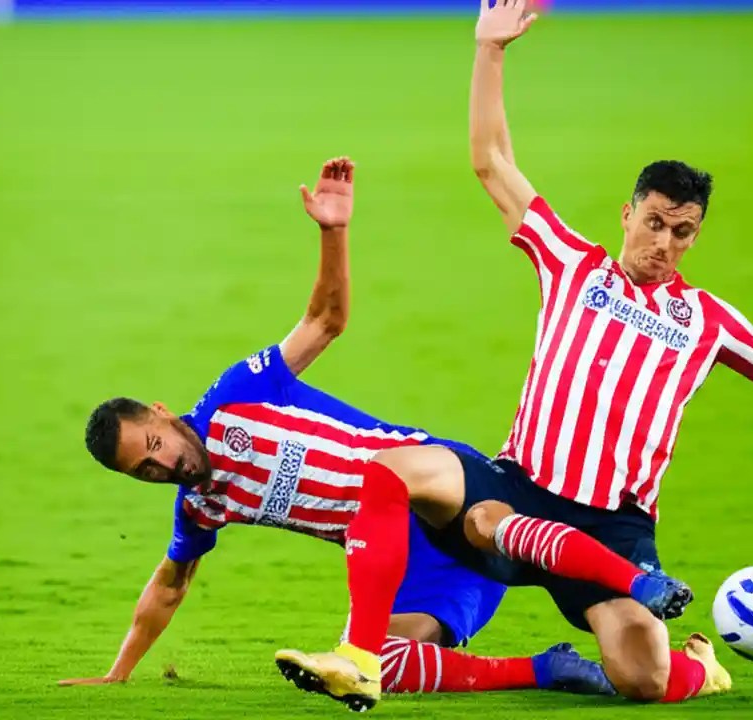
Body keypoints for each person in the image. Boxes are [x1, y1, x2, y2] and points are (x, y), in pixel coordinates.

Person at [278, 0, 753, 710]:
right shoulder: (571, 264)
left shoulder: (708, 322)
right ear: (627, 214)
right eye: (655, 223)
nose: (665, 244)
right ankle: (360, 655)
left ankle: (700, 666)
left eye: (683, 232)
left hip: (613, 524)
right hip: (520, 486)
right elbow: (491, 162)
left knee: (644, 680)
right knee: (397, 473)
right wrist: (489, 49)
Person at [56, 157, 614, 706]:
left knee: (576, 562)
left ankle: (632, 581)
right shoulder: (200, 507)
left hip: (440, 492)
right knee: (378, 664)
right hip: (397, 562)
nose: (166, 466)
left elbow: (326, 321)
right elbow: (169, 585)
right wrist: (118, 674)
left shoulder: (234, 397)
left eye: (156, 446)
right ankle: (548, 669)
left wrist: (333, 231)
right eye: (146, 469)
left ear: (162, 412)